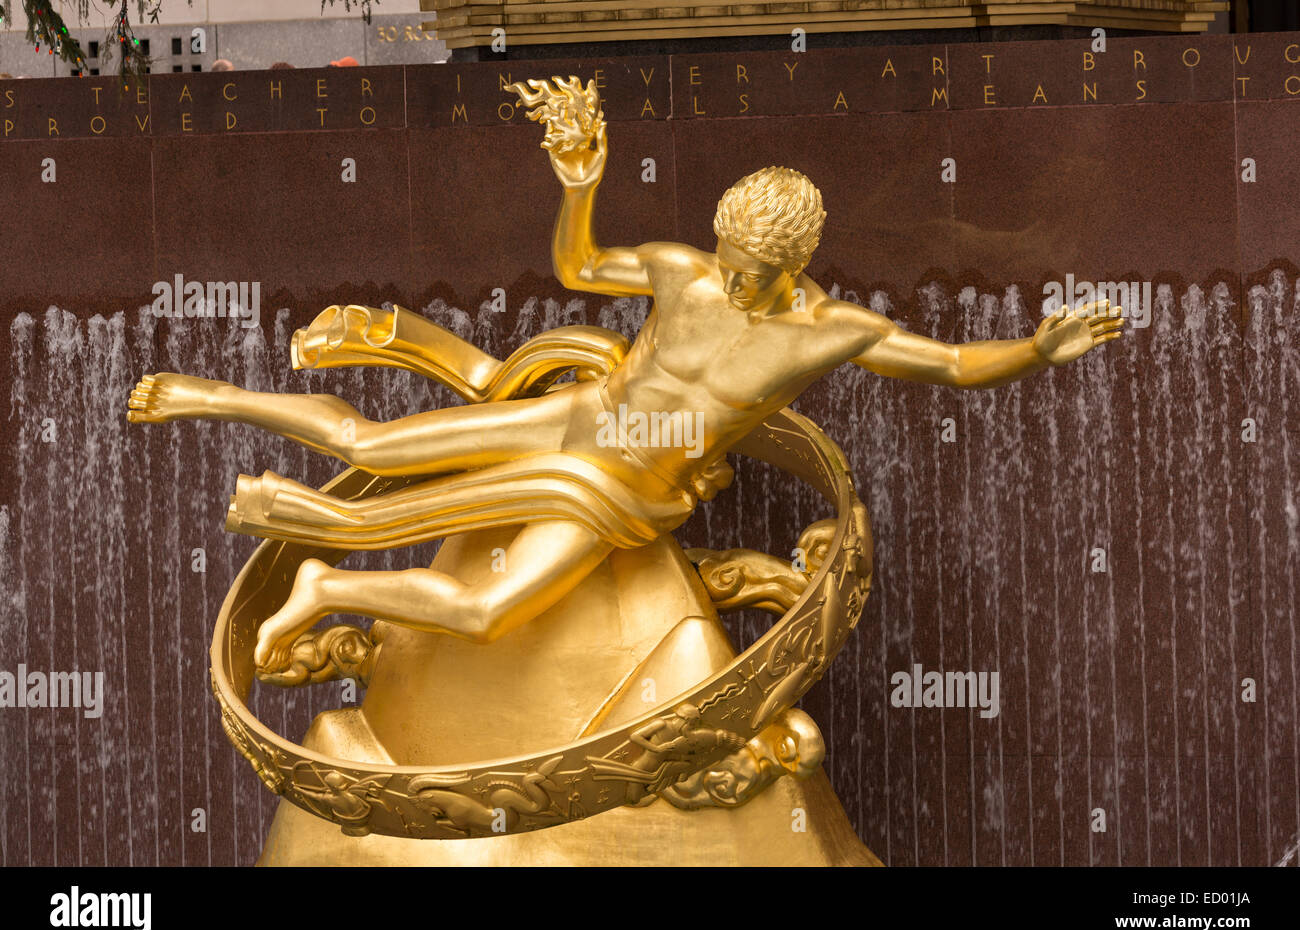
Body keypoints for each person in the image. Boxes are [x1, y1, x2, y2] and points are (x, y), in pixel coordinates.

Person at [127, 77, 1122, 672]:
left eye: (751, 269)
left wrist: (1034, 348)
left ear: (796, 262)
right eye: (725, 252)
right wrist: (579, 180)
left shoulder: (828, 332)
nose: (727, 274)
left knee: (484, 611)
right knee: (371, 443)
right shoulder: (684, 271)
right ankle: (216, 394)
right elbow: (579, 268)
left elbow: (948, 364)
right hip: (583, 418)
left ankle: (326, 581)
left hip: (625, 484)